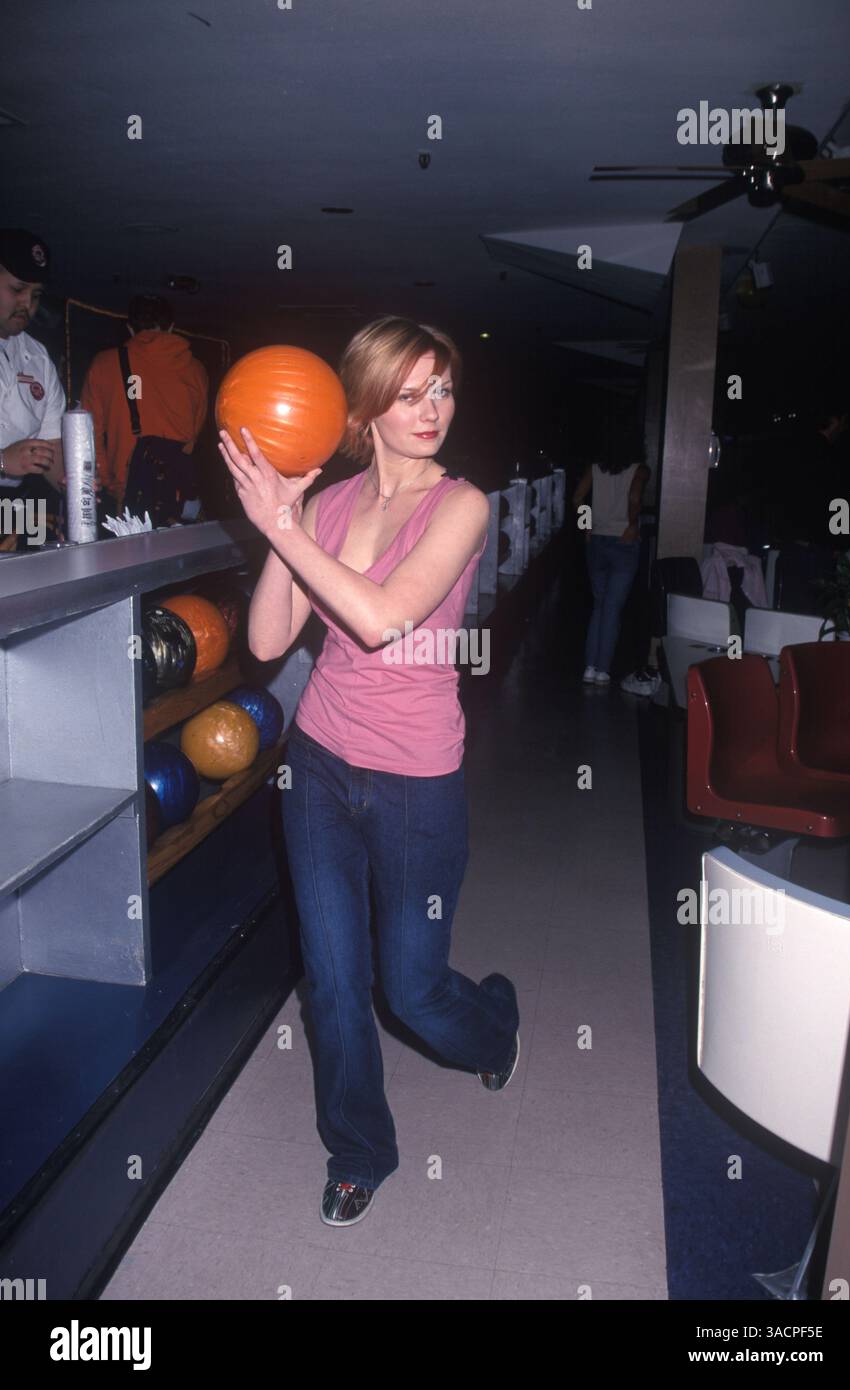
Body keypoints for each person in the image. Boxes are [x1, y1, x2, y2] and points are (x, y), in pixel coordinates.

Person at [218, 316, 520, 1227]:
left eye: (444, 389)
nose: (433, 409)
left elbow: (384, 618)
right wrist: (285, 523)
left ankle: (493, 1022)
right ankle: (360, 1148)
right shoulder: (327, 503)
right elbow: (269, 641)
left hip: (415, 781)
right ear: (364, 405)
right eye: (410, 391)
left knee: (414, 990)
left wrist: (285, 525)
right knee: (334, 975)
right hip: (317, 765)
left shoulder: (462, 503)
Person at [80, 294, 208, 525]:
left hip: (129, 497)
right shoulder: (197, 370)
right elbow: (192, 438)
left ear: (130, 328)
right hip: (178, 499)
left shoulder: (104, 364)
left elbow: (88, 435)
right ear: (171, 327)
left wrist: (113, 484)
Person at [0, 228, 66, 549]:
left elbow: (51, 450)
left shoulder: (38, 358)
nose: (27, 303)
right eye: (17, 289)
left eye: (36, 295)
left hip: (16, 502)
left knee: (40, 580)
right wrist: (1, 462)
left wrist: (74, 487)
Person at [573, 437, 650, 686]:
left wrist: (587, 526)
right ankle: (603, 670)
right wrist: (631, 524)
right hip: (624, 544)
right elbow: (635, 497)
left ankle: (589, 667)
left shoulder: (596, 467)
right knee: (612, 609)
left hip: (597, 541)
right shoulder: (640, 469)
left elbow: (577, 498)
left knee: (599, 606)